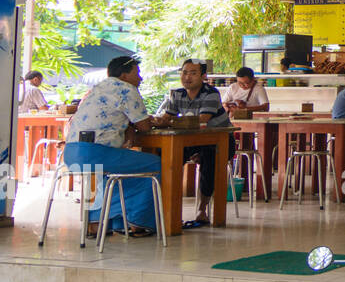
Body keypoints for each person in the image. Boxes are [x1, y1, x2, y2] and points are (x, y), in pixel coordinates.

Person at [63, 56, 161, 238]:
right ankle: (137, 220)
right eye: (137, 73)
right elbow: (145, 126)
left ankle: (102, 222)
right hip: (96, 154)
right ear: (124, 75)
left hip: (71, 153)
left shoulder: (97, 89)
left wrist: (129, 128)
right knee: (157, 164)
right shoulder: (127, 89)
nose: (140, 78)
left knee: (111, 173)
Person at [155, 59, 231, 226]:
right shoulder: (177, 94)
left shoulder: (211, 92)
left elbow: (203, 120)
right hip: (191, 139)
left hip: (220, 140)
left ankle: (202, 210)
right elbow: (167, 116)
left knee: (209, 159)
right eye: (184, 72)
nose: (187, 77)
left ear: (203, 76)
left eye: (193, 73)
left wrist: (170, 121)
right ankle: (165, 208)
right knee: (166, 158)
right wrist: (159, 120)